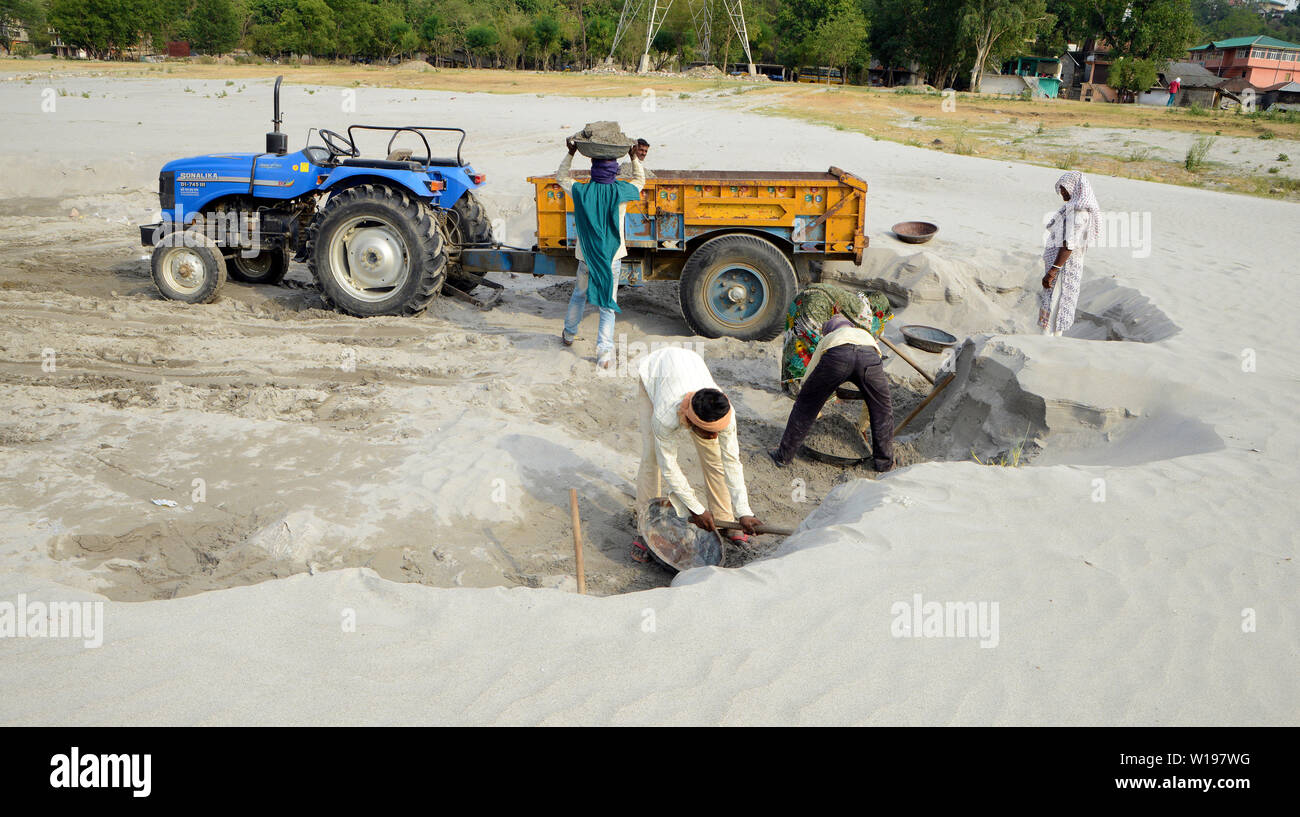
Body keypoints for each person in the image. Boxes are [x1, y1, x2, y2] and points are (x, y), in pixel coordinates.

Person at [635, 346, 762, 544]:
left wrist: (744, 511)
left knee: (716, 459)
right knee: (651, 458)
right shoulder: (664, 417)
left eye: (717, 431)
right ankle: (646, 527)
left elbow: (732, 462)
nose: (714, 436)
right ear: (691, 422)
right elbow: (670, 468)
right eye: (708, 432)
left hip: (690, 364)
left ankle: (725, 520)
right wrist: (696, 509)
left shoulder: (726, 414)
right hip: (655, 372)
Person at [556, 136, 645, 369]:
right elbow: (640, 180)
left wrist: (571, 152)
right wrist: (633, 157)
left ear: (593, 171)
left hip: (586, 258)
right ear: (615, 172)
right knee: (608, 304)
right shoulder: (622, 193)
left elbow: (561, 177)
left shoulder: (581, 193)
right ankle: (604, 354)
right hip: (612, 258)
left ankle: (568, 334)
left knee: (578, 295)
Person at [769, 312, 895, 473]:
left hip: (837, 356)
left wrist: (807, 395)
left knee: (805, 407)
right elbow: (874, 370)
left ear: (829, 330)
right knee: (883, 411)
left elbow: (810, 374)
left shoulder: (829, 338)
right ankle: (884, 464)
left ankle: (783, 456)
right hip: (869, 359)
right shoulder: (864, 334)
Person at [1040, 170, 1102, 337]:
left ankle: (1047, 340)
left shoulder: (1079, 214)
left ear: (1074, 188)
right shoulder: (1073, 209)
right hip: (1062, 264)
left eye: (1064, 189)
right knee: (1057, 299)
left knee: (1055, 300)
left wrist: (1053, 271)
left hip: (1064, 267)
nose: (1062, 193)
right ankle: (1052, 338)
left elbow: (1069, 245)